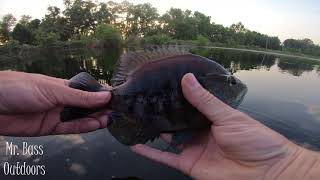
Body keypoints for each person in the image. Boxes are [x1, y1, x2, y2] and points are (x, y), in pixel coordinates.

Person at [0, 71, 319, 179]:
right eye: (231, 81)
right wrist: (289, 168)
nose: (238, 87)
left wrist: (286, 168)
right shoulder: (204, 81)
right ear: (210, 86)